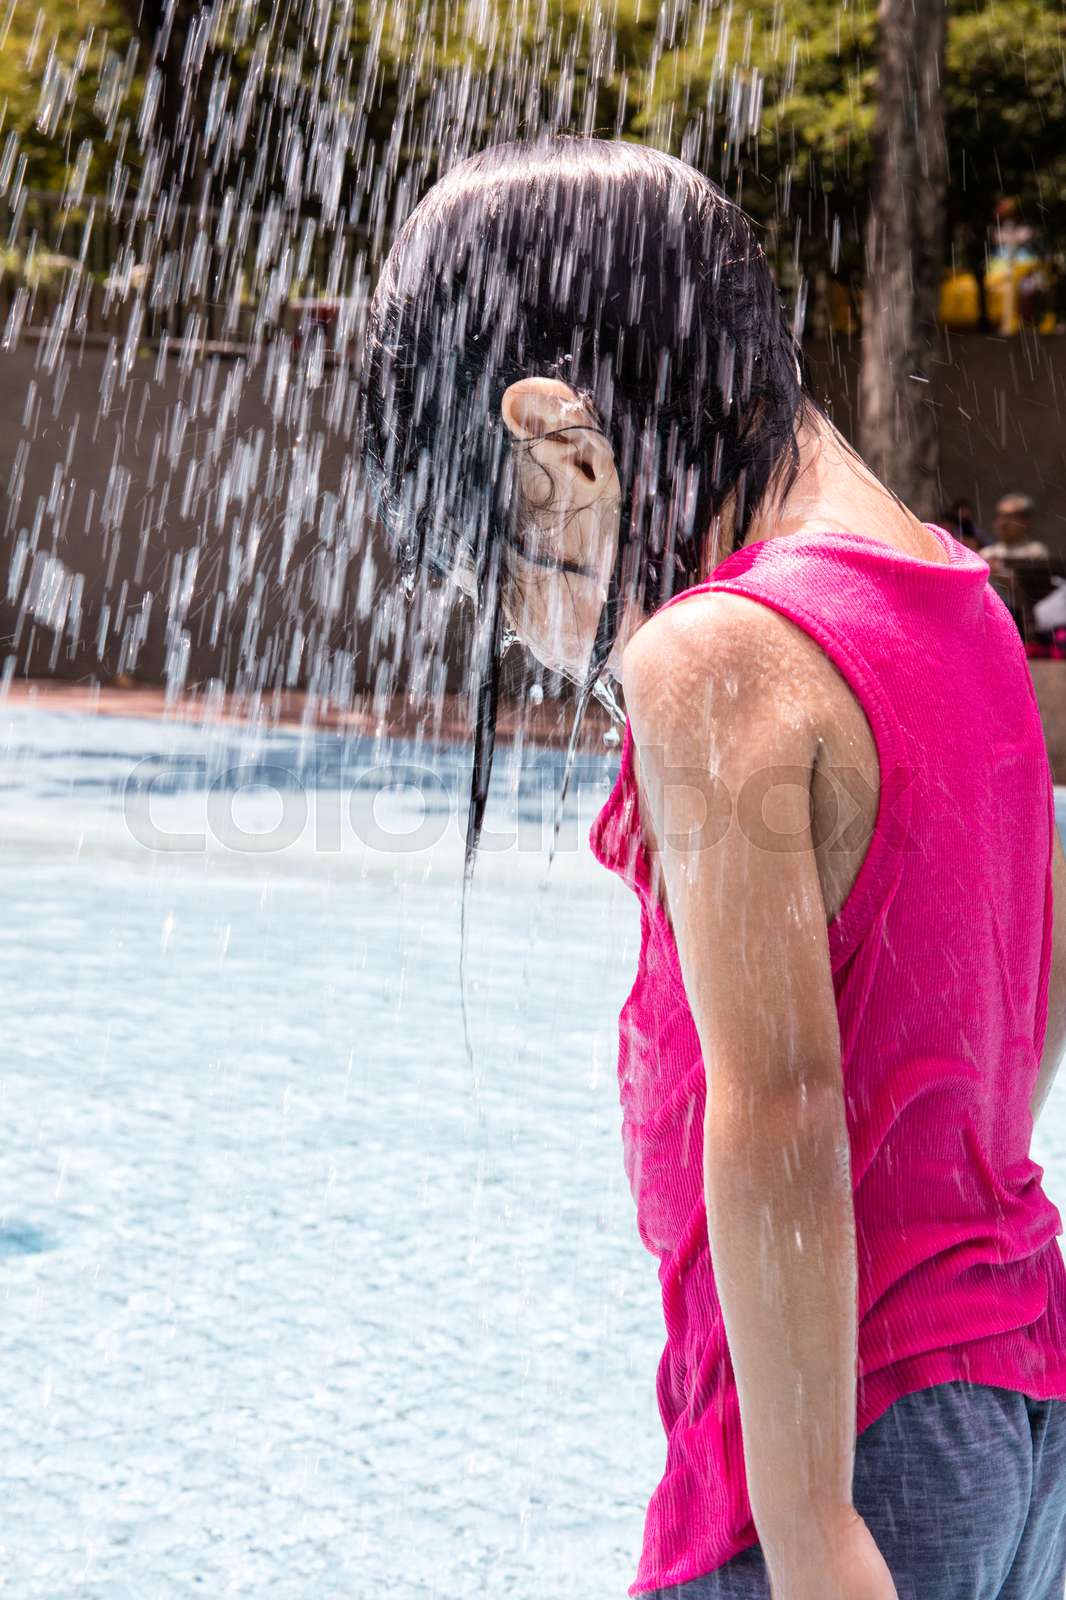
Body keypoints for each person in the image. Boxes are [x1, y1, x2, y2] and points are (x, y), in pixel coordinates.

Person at [358, 137, 1066, 1599]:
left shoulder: (717, 653)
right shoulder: (951, 599)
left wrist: (810, 1531)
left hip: (835, 1465)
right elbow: (1027, 1000)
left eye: (501, 559)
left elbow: (783, 1106)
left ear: (559, 437)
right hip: (1013, 1403)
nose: (514, 623)